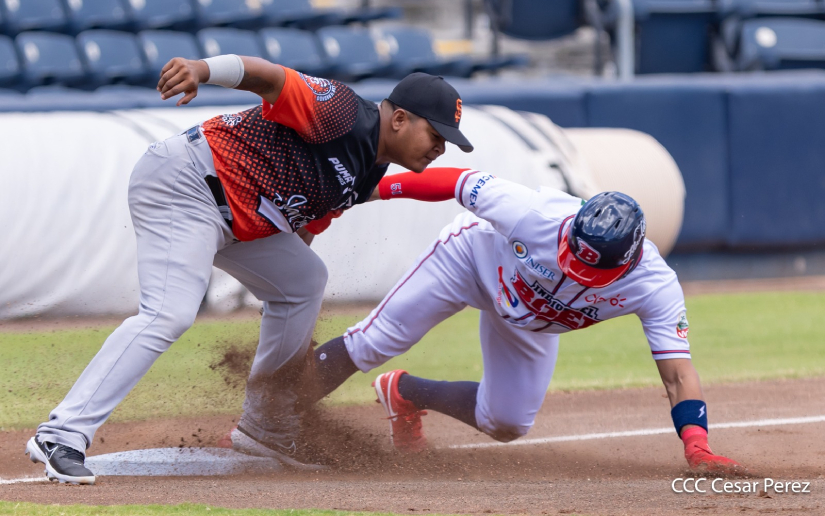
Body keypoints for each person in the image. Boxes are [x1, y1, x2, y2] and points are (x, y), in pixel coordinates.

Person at [25, 55, 473, 484]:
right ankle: (60, 435)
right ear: (399, 120)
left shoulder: (365, 174)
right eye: (436, 133)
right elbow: (270, 78)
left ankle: (265, 429)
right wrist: (202, 70)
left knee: (304, 280)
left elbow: (301, 234)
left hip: (235, 219)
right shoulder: (342, 111)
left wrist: (284, 306)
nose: (439, 146)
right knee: (169, 313)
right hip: (188, 183)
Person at [309, 167, 742, 473]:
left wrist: (697, 447)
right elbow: (455, 181)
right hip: (470, 265)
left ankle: (403, 392)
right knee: (372, 342)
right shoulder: (536, 212)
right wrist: (371, 191)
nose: (576, 268)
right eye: (574, 254)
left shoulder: (655, 286)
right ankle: (264, 419)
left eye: (593, 270)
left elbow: (678, 375)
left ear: (630, 259)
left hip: (529, 321)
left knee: (506, 422)